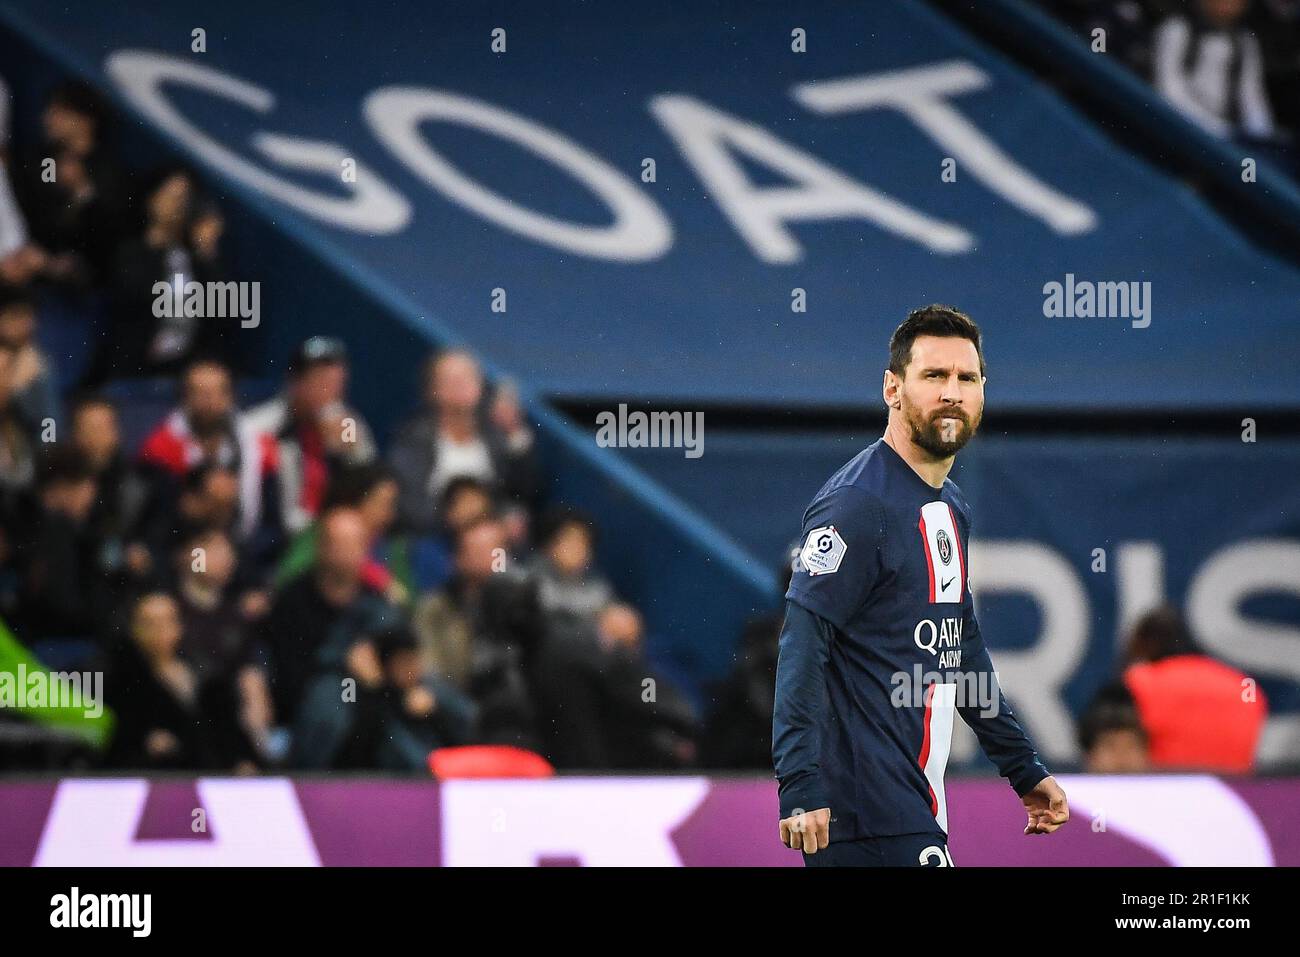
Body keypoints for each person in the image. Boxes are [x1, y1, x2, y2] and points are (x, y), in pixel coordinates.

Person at [772, 305, 1069, 866]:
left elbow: (959, 646)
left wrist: (1021, 767)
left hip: (913, 809)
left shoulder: (949, 503)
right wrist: (800, 785)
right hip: (864, 815)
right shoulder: (858, 504)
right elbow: (801, 648)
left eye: (966, 378)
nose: (952, 392)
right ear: (892, 388)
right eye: (934, 376)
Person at [388, 349, 538, 535]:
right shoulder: (414, 438)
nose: (460, 385)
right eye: (450, 380)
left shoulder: (495, 436)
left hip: (490, 542)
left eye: (467, 378)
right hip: (432, 540)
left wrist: (514, 433)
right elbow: (407, 502)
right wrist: (457, 522)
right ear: (431, 390)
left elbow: (523, 493)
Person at [245, 336, 377, 534]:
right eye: (323, 382)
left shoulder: (347, 424)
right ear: (295, 382)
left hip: (331, 534)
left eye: (337, 384)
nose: (331, 393)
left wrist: (352, 451)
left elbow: (372, 486)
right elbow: (282, 514)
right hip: (279, 536)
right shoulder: (261, 429)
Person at [1120, 604, 1268, 772]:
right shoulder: (1242, 685)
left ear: (1147, 644)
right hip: (1235, 793)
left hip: (1165, 791)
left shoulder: (1139, 681)